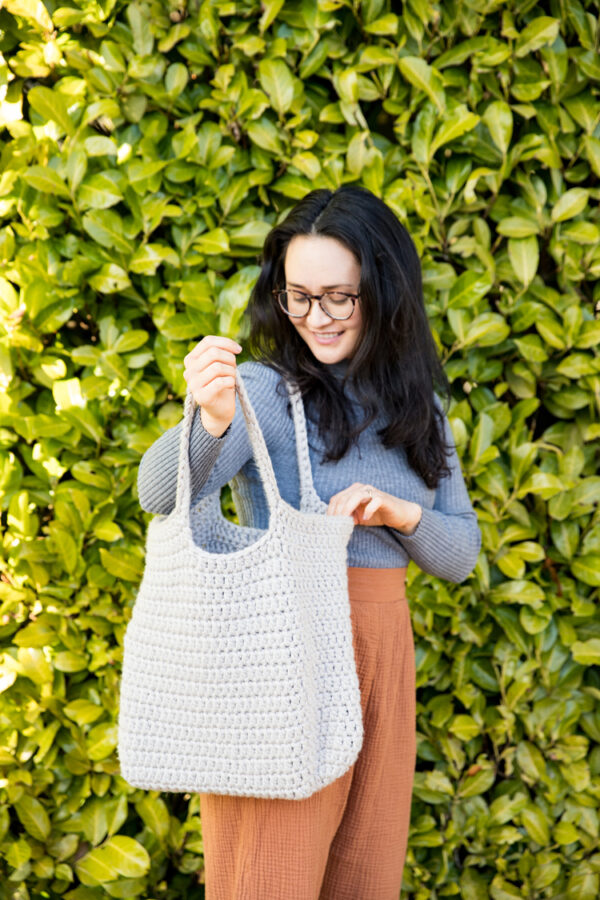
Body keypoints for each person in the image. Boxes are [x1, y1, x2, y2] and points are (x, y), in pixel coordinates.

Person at [137, 184, 481, 899]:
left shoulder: (419, 410)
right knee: (268, 877)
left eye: (338, 297)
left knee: (365, 875)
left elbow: (461, 555)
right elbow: (155, 495)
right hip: (282, 654)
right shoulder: (262, 390)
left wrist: (399, 515)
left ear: (383, 293)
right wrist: (212, 418)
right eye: (298, 296)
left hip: (382, 654)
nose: (315, 318)